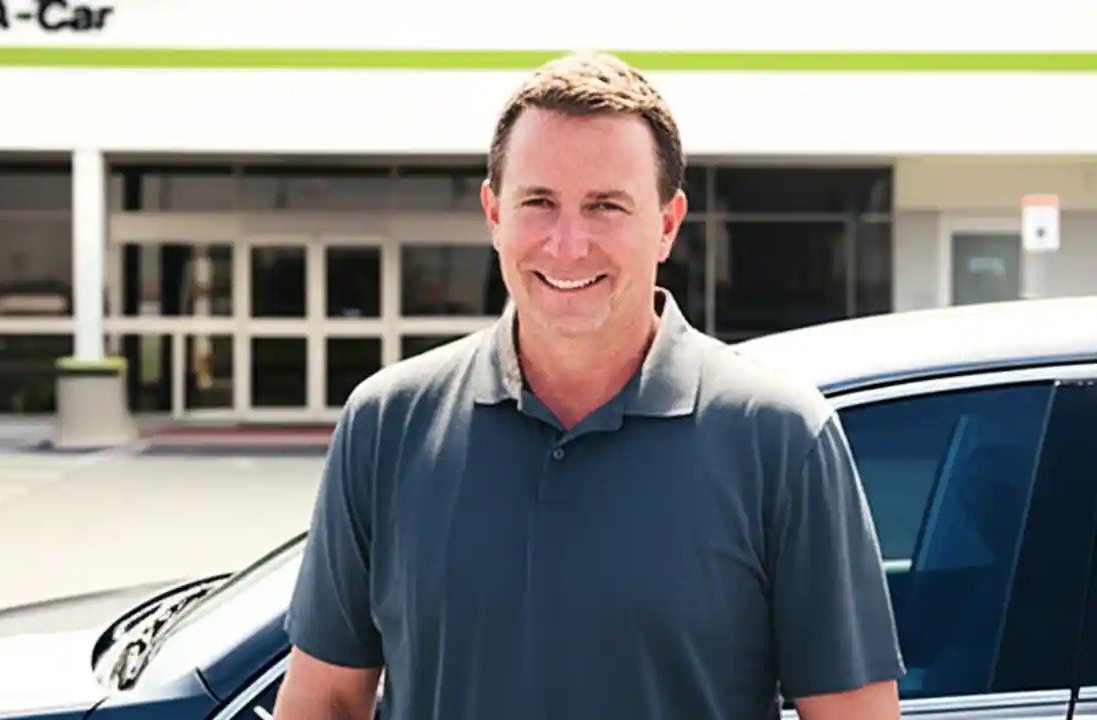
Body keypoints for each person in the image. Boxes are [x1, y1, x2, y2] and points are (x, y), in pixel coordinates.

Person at [273, 52, 906, 720]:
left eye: (606, 206)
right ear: (494, 213)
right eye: (538, 202)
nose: (568, 245)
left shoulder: (778, 436)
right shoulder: (388, 424)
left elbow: (853, 713)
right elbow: (327, 698)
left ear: (666, 224)